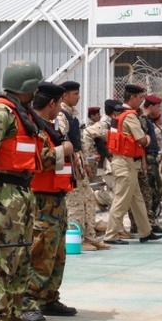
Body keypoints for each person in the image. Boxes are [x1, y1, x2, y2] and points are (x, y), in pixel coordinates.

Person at [0, 61, 46, 321]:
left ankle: (14, 312)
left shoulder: (21, 112)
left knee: (20, 254)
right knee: (1, 257)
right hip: (3, 190)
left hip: (21, 190)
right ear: (28, 87)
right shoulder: (0, 111)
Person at [25, 82, 76, 319]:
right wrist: (62, 151)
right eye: (58, 104)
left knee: (57, 251)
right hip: (41, 198)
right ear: (52, 103)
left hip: (56, 197)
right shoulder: (32, 127)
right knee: (41, 250)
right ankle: (30, 299)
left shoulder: (49, 127)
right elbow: (34, 160)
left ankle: (49, 296)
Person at [103, 84, 162, 244]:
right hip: (126, 163)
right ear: (133, 98)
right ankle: (111, 235)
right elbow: (141, 139)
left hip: (126, 162)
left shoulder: (118, 113)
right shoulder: (129, 115)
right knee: (121, 200)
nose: (142, 101)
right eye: (141, 97)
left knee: (137, 199)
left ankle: (145, 231)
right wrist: (148, 139)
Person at [61, 83, 107, 252]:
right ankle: (76, 238)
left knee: (87, 199)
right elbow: (62, 139)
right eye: (75, 94)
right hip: (70, 164)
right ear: (65, 96)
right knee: (74, 204)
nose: (78, 97)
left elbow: (79, 141)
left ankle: (90, 236)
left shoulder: (72, 115)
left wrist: (85, 163)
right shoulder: (61, 115)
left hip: (78, 162)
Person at [138, 93, 162, 231]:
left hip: (152, 159)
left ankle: (151, 221)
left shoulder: (149, 120)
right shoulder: (143, 120)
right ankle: (149, 223)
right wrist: (144, 161)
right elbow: (141, 143)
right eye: (157, 106)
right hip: (148, 159)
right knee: (151, 191)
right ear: (150, 106)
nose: (159, 109)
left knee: (156, 190)